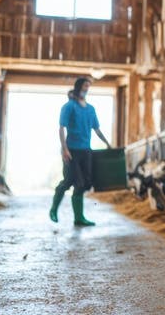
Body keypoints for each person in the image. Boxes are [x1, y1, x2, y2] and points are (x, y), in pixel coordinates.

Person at [49, 77, 112, 226]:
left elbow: (96, 129)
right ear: (78, 87)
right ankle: (53, 209)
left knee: (84, 183)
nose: (86, 89)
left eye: (88, 86)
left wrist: (108, 144)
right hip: (72, 151)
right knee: (69, 181)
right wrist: (64, 149)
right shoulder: (69, 106)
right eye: (84, 86)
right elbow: (61, 128)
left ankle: (79, 218)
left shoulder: (90, 109)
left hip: (86, 151)